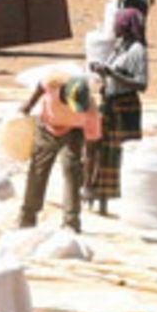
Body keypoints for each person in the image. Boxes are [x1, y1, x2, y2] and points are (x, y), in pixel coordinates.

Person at [17, 75, 101, 231]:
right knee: (38, 171)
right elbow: (40, 86)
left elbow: (91, 150)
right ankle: (27, 217)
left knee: (72, 171)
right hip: (47, 128)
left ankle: (71, 222)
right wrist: (29, 104)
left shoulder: (90, 110)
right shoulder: (53, 82)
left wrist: (89, 183)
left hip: (74, 132)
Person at [89, 8, 149, 215]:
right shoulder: (120, 47)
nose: (113, 27)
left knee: (122, 154)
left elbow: (141, 84)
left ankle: (126, 200)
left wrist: (113, 75)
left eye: (116, 23)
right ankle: (101, 198)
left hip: (125, 110)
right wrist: (101, 69)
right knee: (104, 152)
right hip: (110, 105)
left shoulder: (137, 51)